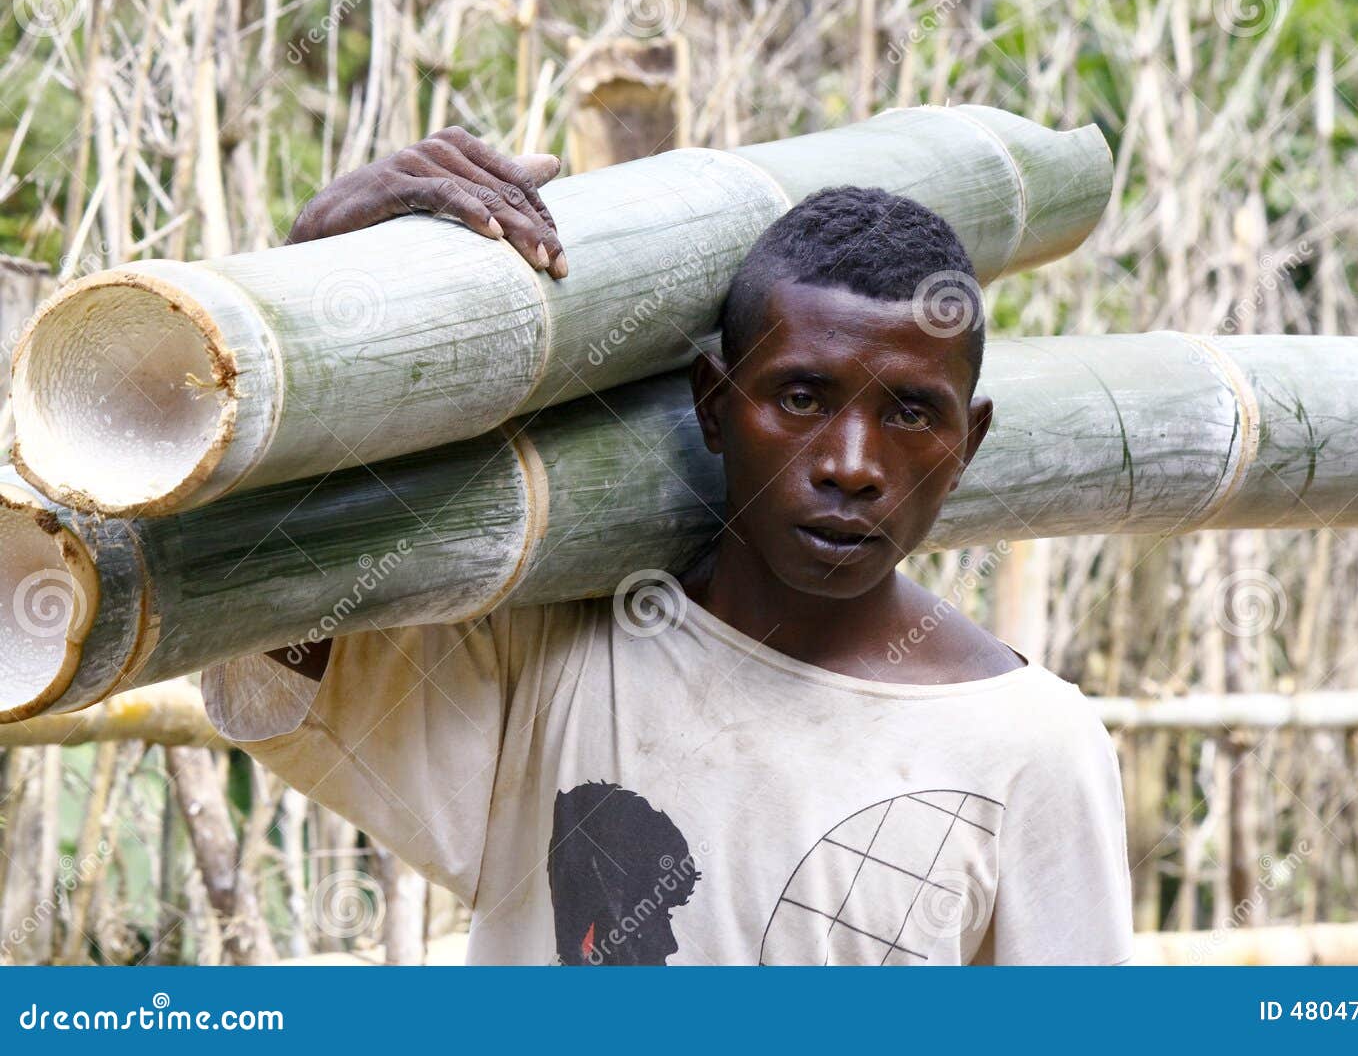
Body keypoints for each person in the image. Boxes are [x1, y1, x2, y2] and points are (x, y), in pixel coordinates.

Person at [206, 126, 1135, 965]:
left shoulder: (1031, 746)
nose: (853, 465)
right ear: (714, 404)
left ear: (966, 443)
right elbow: (272, 628)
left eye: (910, 412)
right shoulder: (556, 655)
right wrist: (320, 283)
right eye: (804, 398)